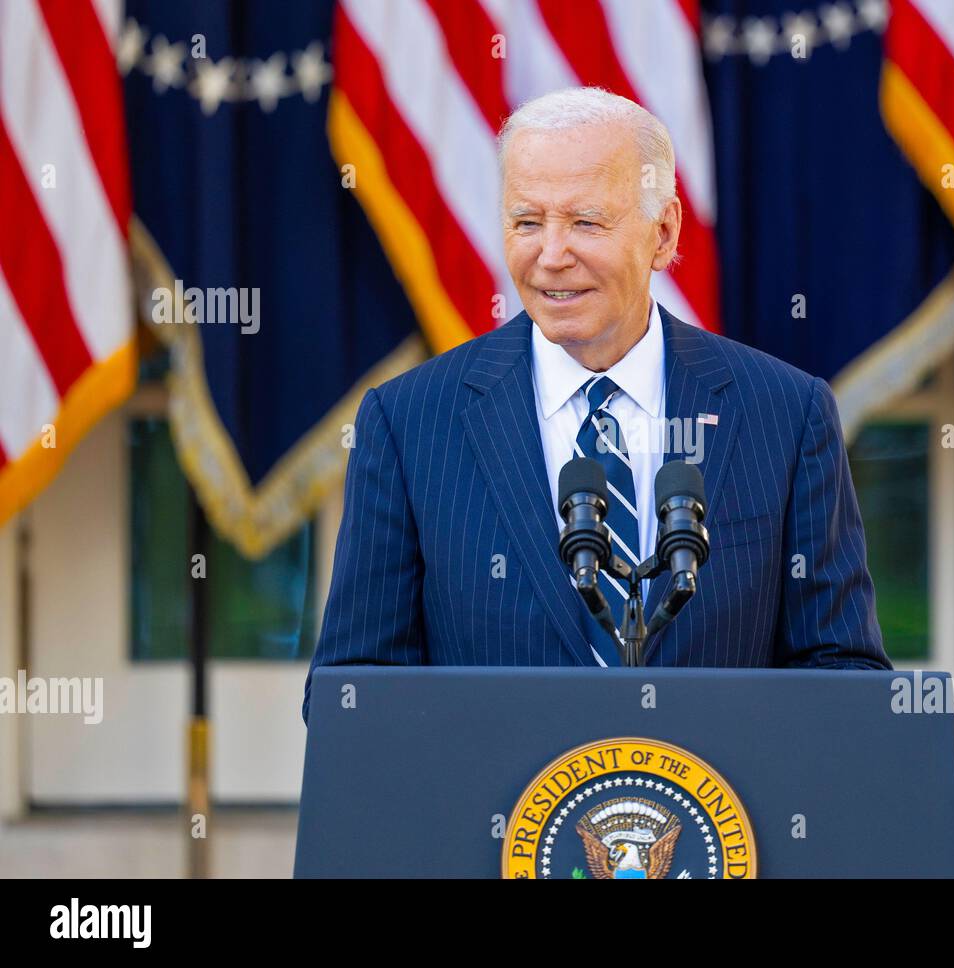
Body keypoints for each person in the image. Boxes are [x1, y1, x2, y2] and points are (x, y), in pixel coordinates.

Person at [302, 87, 889, 724]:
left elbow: (843, 675)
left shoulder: (786, 413)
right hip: (501, 822)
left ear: (663, 235)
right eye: (528, 222)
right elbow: (352, 695)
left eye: (586, 222)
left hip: (718, 818)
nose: (552, 256)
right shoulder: (409, 422)